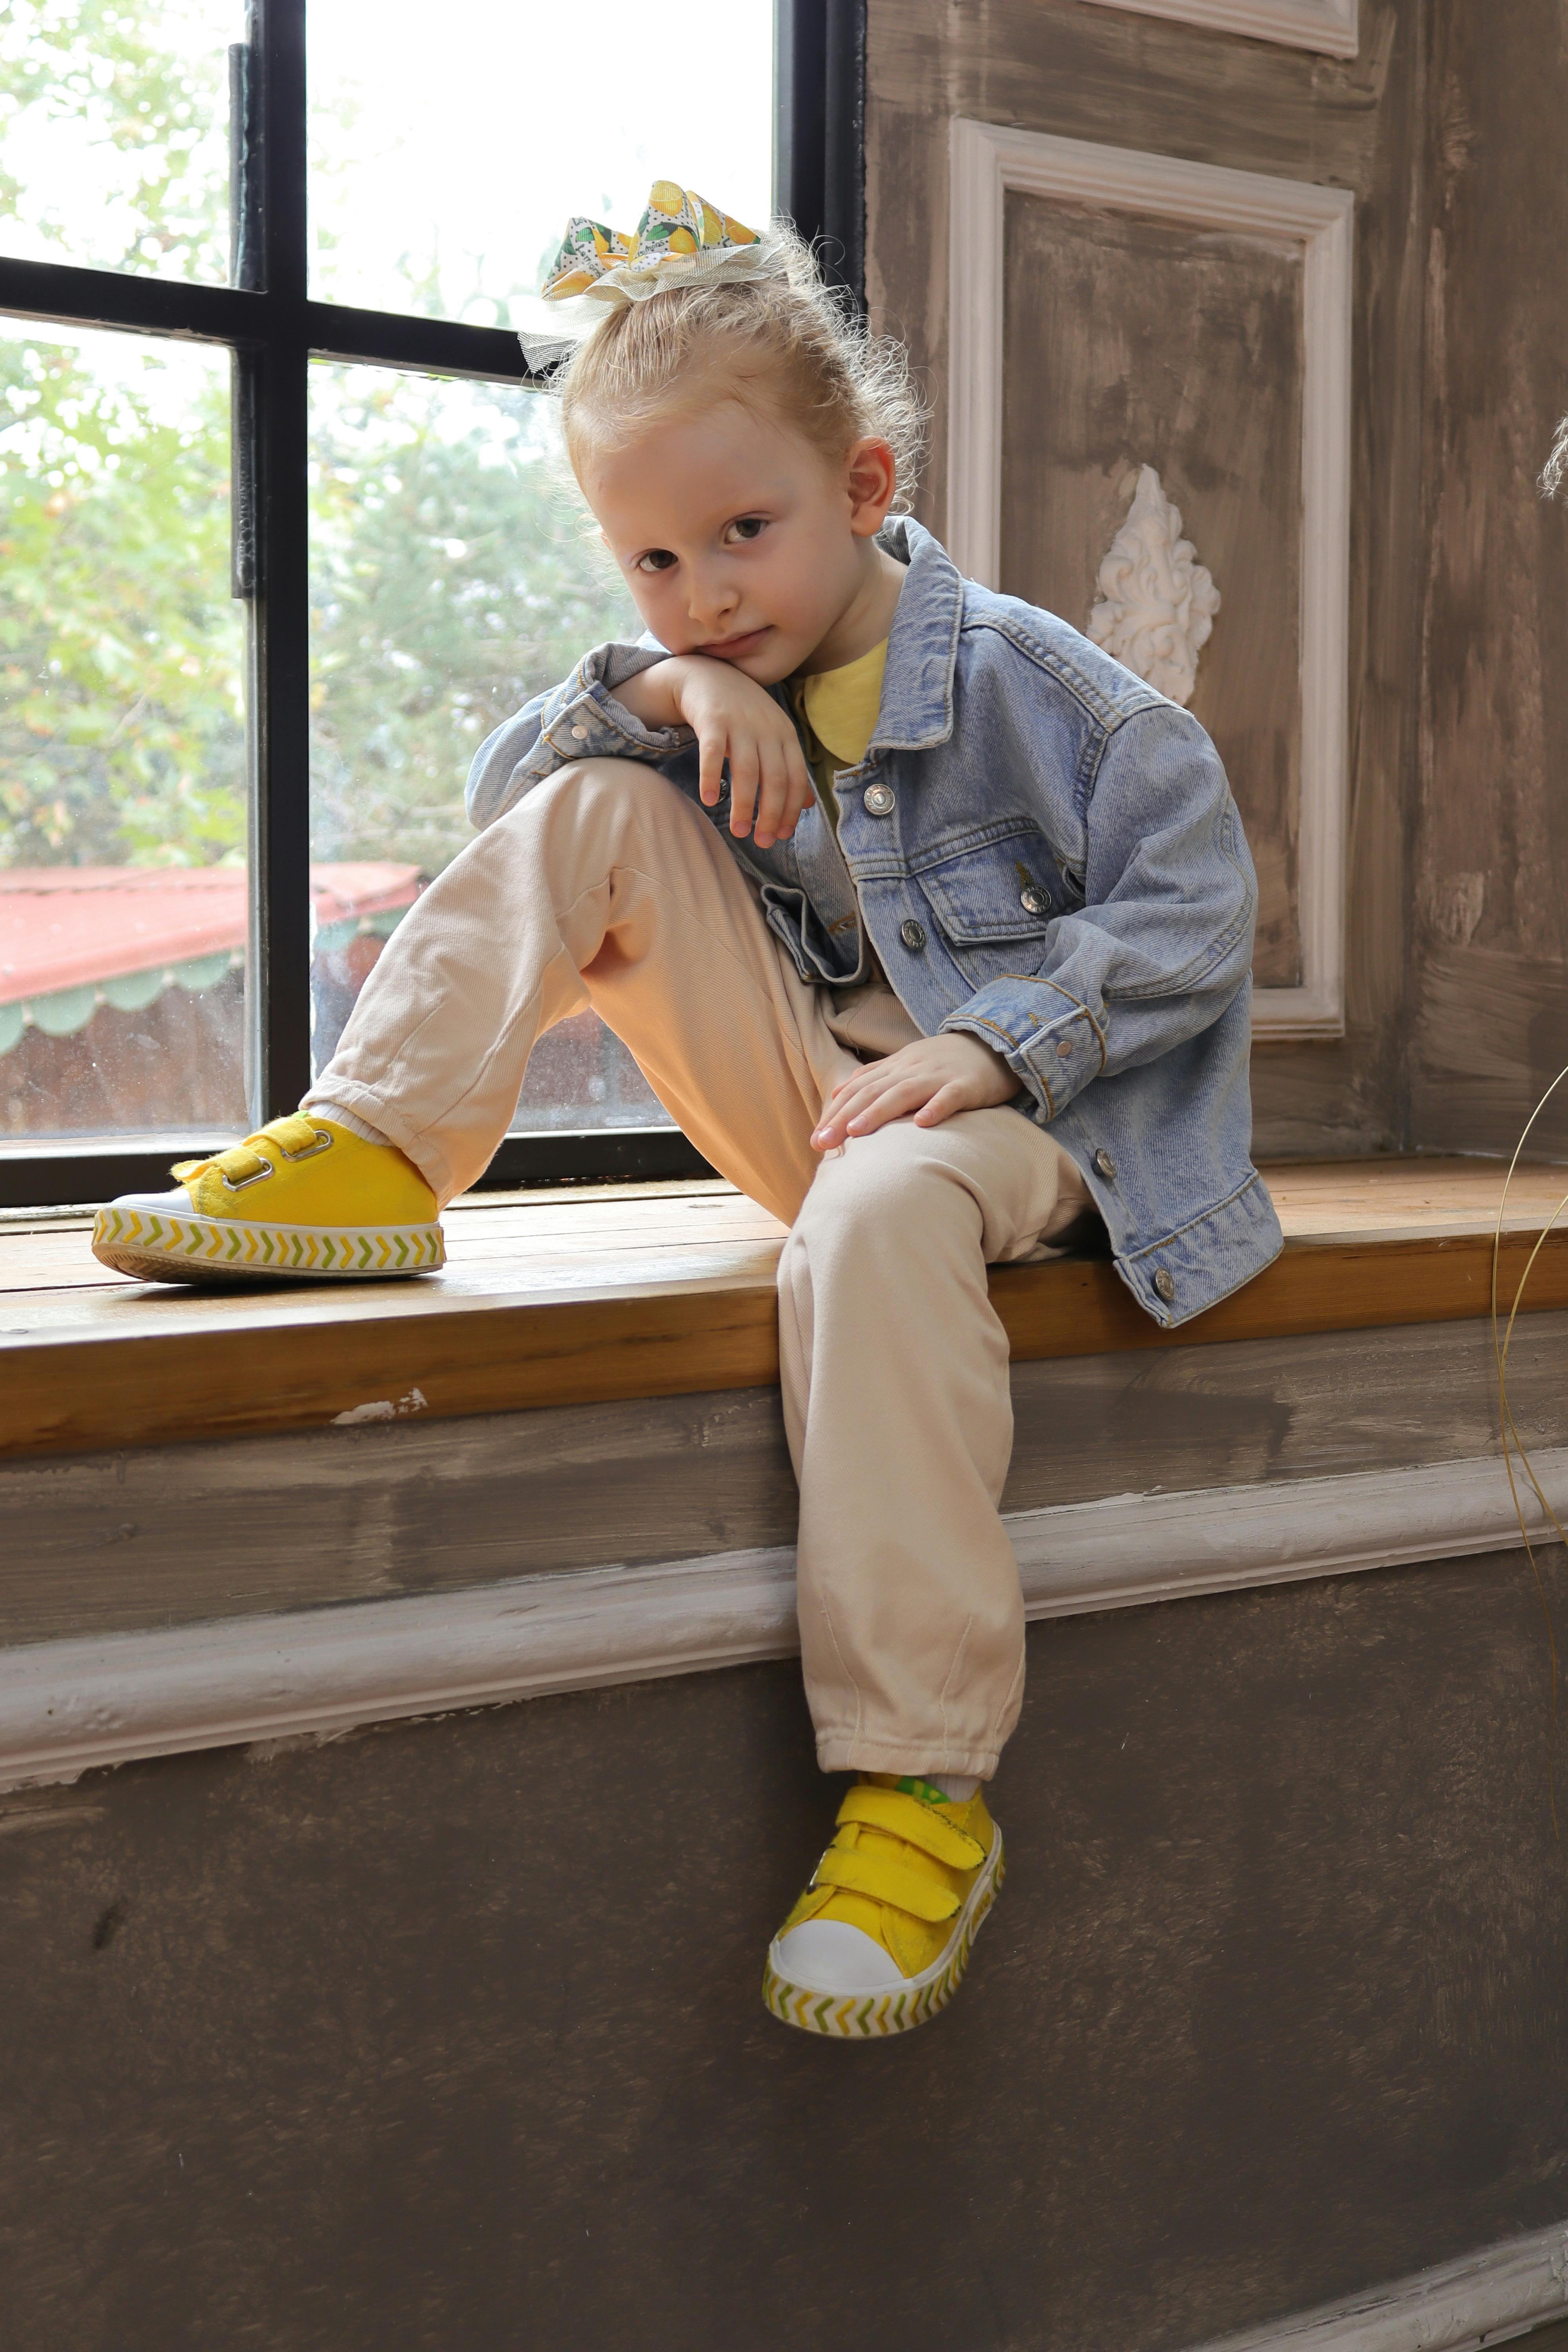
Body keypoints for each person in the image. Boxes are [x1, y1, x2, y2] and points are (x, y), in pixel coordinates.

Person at [92, 182, 1283, 2038]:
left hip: (1039, 1114)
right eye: (651, 564)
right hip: (822, 1099)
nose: (707, 591)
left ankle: (921, 1789)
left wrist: (988, 1052)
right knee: (587, 808)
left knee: (882, 1213)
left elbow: (1195, 908)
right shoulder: (685, 671)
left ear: (867, 488)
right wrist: (643, 690)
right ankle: (383, 1153)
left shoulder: (1050, 695)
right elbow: (516, 808)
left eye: (744, 535)